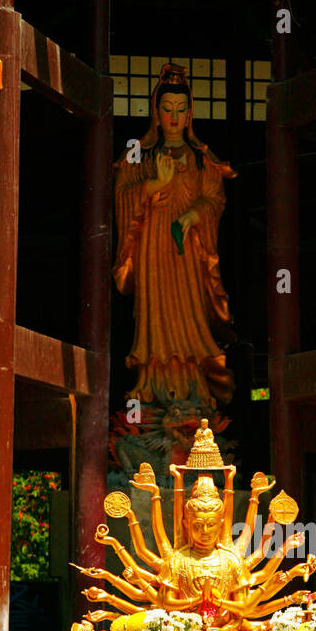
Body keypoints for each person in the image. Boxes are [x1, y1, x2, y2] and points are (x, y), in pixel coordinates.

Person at [113, 62, 237, 405]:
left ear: (189, 113)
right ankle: (152, 385)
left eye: (181, 110)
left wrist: (195, 213)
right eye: (167, 108)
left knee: (191, 317)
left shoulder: (201, 158)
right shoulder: (139, 152)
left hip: (188, 251)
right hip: (152, 245)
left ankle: (194, 385)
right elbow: (122, 193)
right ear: (156, 111)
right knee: (155, 316)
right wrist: (155, 184)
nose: (173, 116)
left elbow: (215, 198)